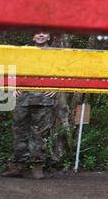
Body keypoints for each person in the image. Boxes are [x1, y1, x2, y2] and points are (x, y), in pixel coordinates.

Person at [5, 32, 65, 179]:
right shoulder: (24, 51)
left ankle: (37, 165)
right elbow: (13, 68)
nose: (40, 35)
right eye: (37, 33)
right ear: (32, 37)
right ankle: (18, 166)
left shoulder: (56, 54)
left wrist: (56, 86)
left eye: (44, 33)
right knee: (19, 130)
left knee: (40, 132)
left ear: (49, 37)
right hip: (23, 96)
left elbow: (62, 70)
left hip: (43, 97)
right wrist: (13, 85)